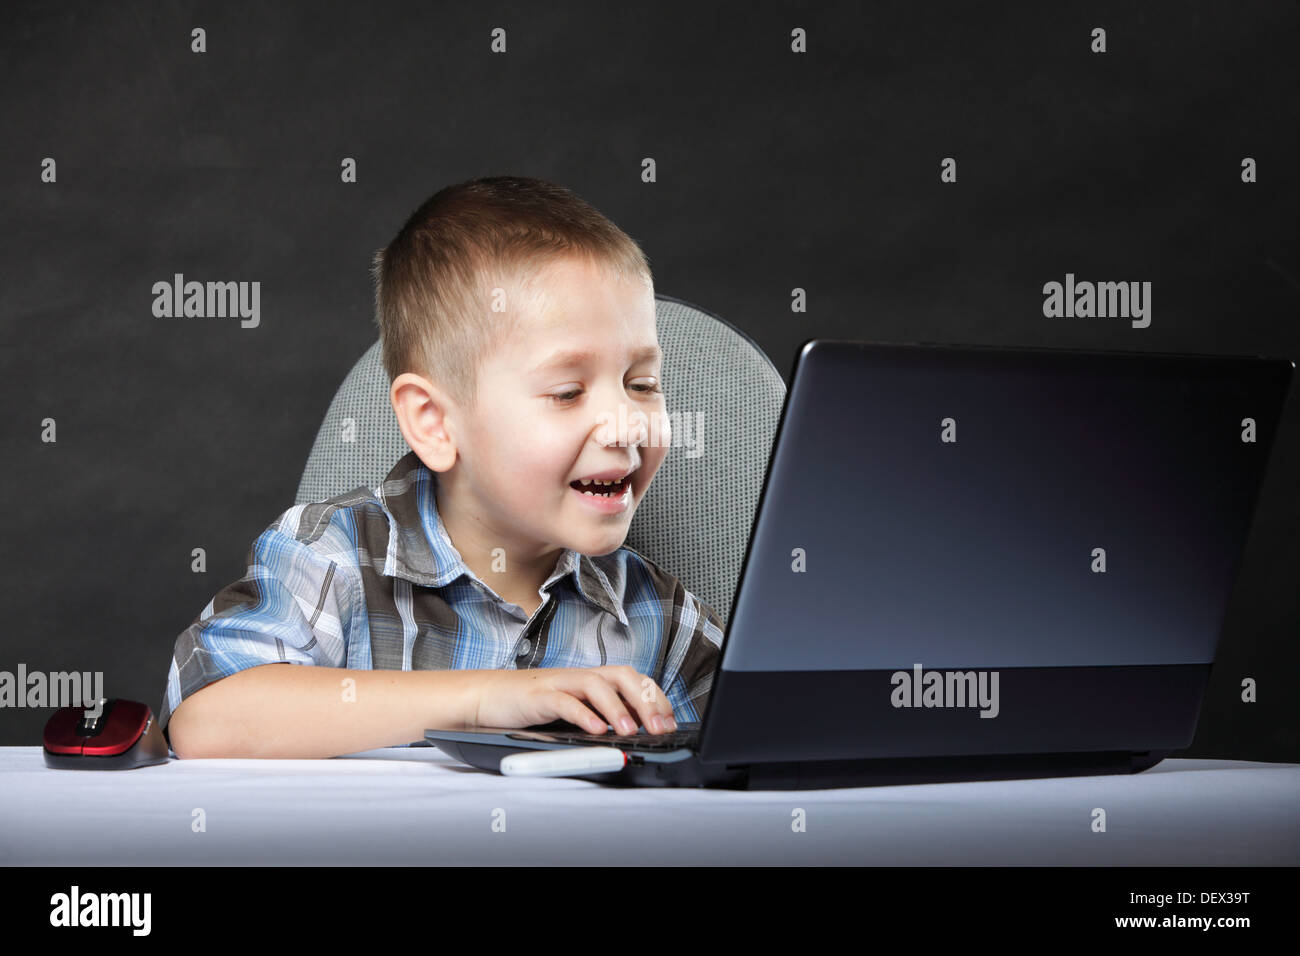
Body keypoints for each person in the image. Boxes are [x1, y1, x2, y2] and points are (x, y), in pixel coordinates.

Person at [161, 176, 723, 759]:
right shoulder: (332, 557)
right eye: (567, 392)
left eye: (643, 384)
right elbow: (207, 717)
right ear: (434, 422)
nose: (630, 425)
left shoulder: (660, 618)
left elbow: (773, 757)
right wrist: (484, 698)